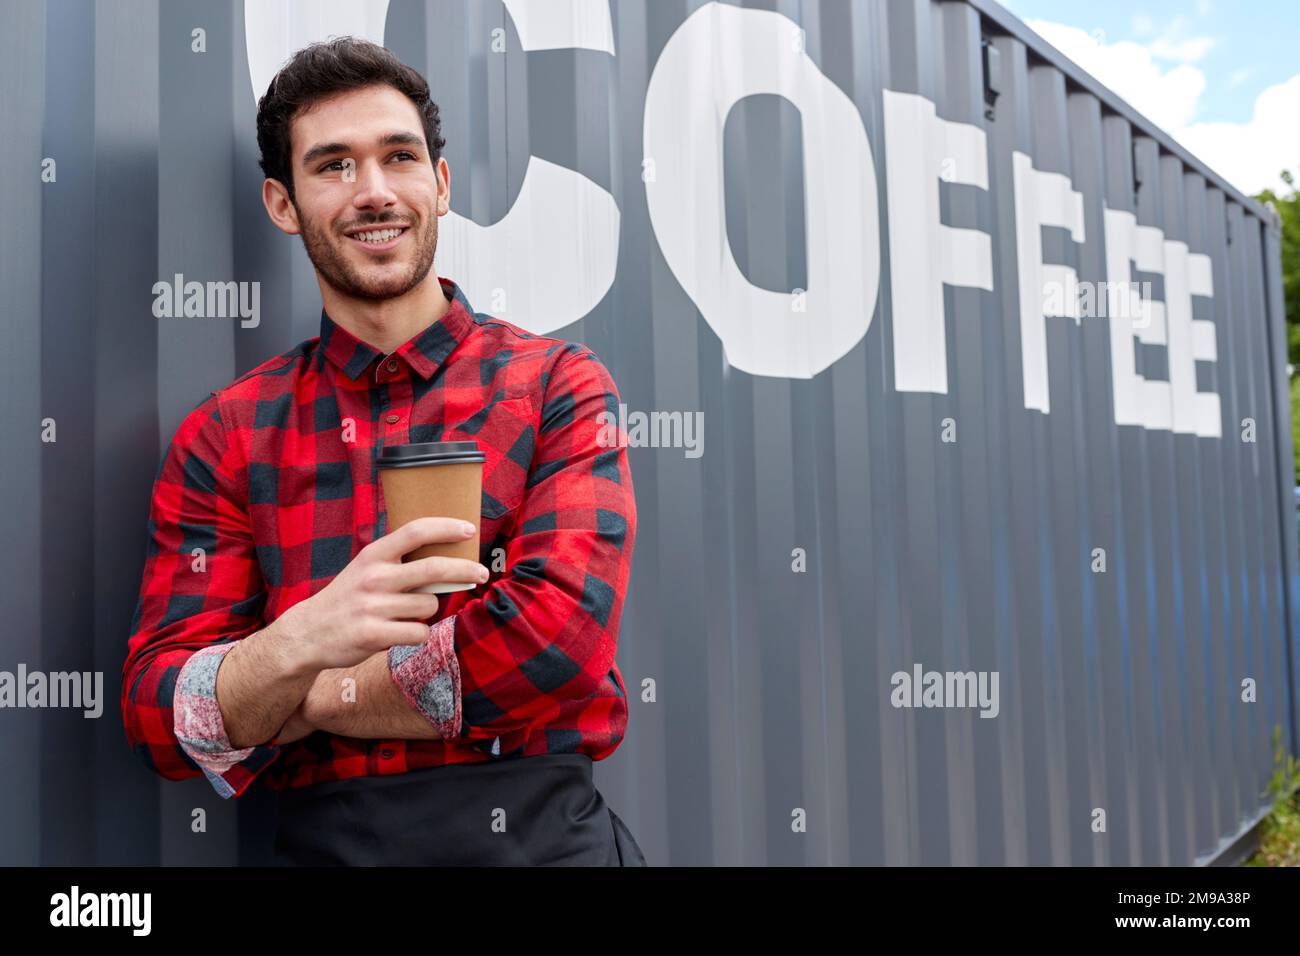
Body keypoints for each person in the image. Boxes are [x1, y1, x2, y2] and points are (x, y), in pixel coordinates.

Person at [121, 36, 644, 866]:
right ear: (282, 203)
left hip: (545, 839)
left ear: (438, 185)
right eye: (332, 166)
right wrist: (304, 635)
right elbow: (159, 714)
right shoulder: (228, 432)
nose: (373, 193)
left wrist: (313, 691)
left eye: (398, 158)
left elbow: (557, 643)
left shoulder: (556, 387)